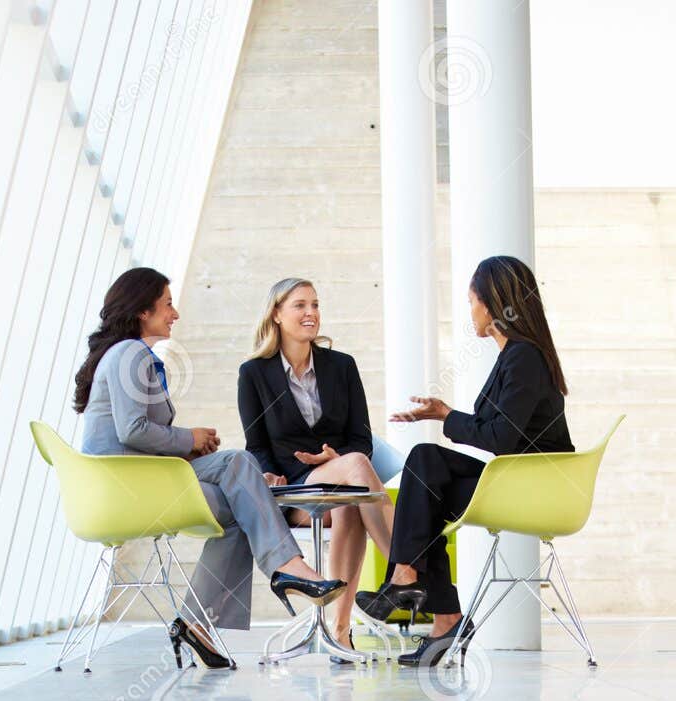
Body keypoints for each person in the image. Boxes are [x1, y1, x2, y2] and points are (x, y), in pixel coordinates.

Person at [75, 267, 345, 669]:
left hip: (137, 479)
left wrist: (192, 452)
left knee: (240, 498)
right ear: (142, 311)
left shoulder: (125, 355)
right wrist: (190, 439)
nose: (175, 313)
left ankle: (197, 622)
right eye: (167, 304)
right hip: (128, 485)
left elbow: (134, 436)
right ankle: (287, 567)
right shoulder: (130, 353)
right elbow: (131, 431)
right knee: (240, 465)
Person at [358, 255, 573, 668]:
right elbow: (502, 431)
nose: (470, 311)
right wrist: (444, 414)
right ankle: (436, 610)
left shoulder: (523, 357)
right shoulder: (516, 356)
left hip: (536, 487)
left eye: (472, 301)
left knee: (425, 476)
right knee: (425, 477)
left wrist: (446, 418)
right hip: (518, 478)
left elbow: (502, 439)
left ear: (492, 305)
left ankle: (415, 588)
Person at [238, 278, 393, 654]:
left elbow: (362, 439)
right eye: (300, 306)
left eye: (316, 305)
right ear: (276, 314)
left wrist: (332, 459)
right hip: (293, 491)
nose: (311, 313)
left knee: (349, 502)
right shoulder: (254, 373)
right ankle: (404, 570)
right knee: (354, 472)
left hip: (339, 479)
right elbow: (256, 446)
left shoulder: (342, 366)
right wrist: (268, 473)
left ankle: (338, 632)